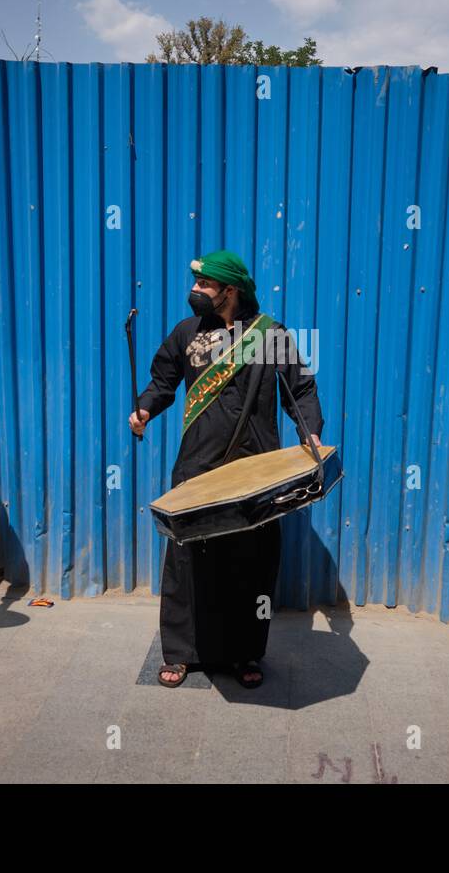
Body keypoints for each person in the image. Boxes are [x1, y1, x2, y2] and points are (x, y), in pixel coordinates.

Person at [130, 250, 322, 688]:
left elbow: (301, 388)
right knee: (186, 558)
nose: (195, 290)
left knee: (251, 561)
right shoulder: (186, 333)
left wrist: (309, 431)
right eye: (196, 283)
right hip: (197, 464)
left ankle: (245, 652)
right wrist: (144, 409)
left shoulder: (269, 335)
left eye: (204, 284)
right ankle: (181, 652)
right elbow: (162, 382)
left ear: (229, 290)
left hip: (256, 467)